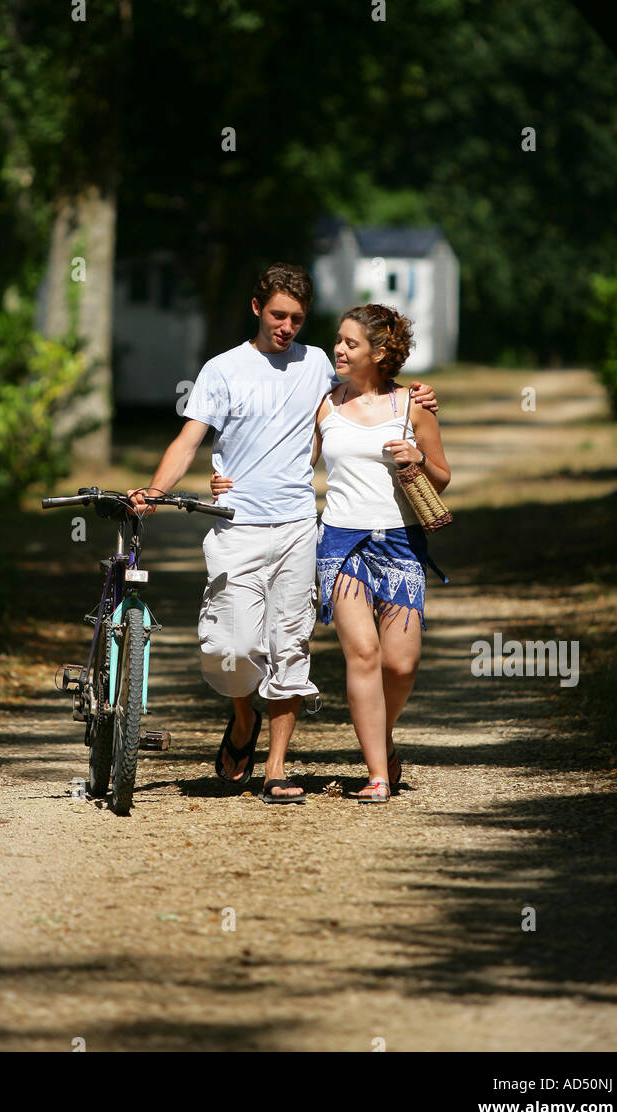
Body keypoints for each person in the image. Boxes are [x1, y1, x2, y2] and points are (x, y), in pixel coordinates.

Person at [129, 266, 438, 805]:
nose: (287, 327)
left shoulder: (317, 364)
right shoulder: (222, 369)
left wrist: (417, 395)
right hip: (236, 526)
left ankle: (275, 768)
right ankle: (242, 717)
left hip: (299, 527)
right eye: (278, 315)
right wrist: (155, 492)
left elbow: (369, 391)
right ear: (256, 308)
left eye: (297, 318)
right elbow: (188, 439)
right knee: (232, 648)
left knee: (289, 648)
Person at [312, 304, 450, 802]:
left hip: (401, 541)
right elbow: (295, 467)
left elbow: (442, 477)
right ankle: (377, 774)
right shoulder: (325, 405)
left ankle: (381, 736)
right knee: (364, 654)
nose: (339, 349)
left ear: (379, 352)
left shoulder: (413, 405)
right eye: (338, 340)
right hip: (341, 542)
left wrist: (418, 457)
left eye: (350, 343)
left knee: (401, 664)